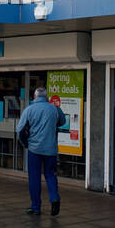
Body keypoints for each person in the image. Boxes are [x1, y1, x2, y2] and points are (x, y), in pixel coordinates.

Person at [15, 87, 68, 216]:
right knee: (50, 175)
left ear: (35, 96)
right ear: (46, 97)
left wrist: (26, 144)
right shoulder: (54, 109)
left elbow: (20, 130)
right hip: (51, 149)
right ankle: (54, 198)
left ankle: (35, 207)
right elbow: (63, 121)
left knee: (34, 178)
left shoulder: (29, 110)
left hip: (34, 149)